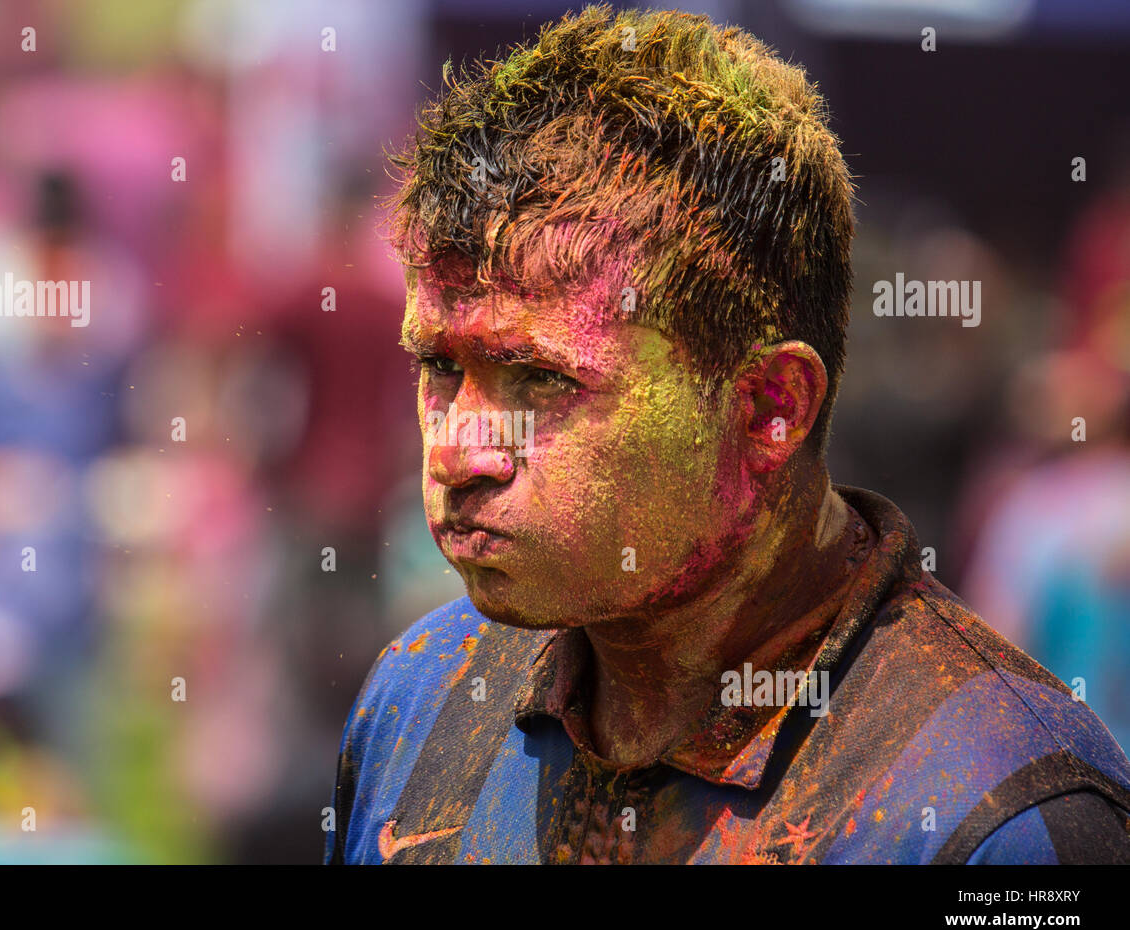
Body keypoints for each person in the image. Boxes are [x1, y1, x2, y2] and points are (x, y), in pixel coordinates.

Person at [324, 5, 1130, 864]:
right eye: (439, 367)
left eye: (544, 379)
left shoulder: (995, 816)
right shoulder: (421, 701)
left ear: (768, 408)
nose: (457, 453)